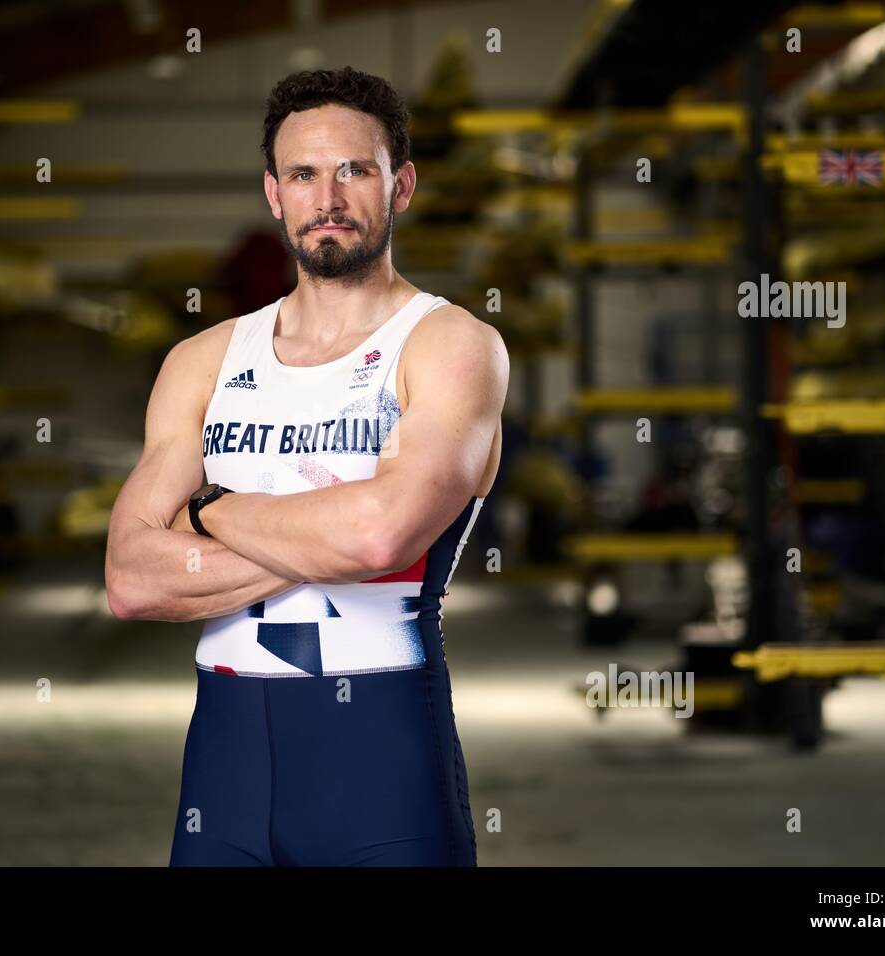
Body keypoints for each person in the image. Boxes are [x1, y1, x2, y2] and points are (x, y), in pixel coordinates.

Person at [105, 65, 508, 866]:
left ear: (401, 187)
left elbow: (375, 540)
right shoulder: (203, 361)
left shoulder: (450, 346)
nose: (328, 197)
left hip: (382, 756)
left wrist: (207, 508)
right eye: (303, 174)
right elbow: (131, 578)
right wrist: (321, 536)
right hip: (224, 765)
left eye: (355, 170)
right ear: (273, 193)